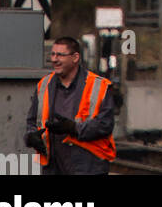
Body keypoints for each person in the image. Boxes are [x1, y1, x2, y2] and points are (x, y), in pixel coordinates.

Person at [24, 36, 116, 175]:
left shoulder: (98, 86)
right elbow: (32, 121)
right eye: (53, 54)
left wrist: (74, 128)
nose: (54, 59)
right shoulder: (44, 85)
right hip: (53, 166)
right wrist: (31, 137)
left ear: (75, 57)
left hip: (88, 166)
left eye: (60, 55)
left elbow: (105, 124)